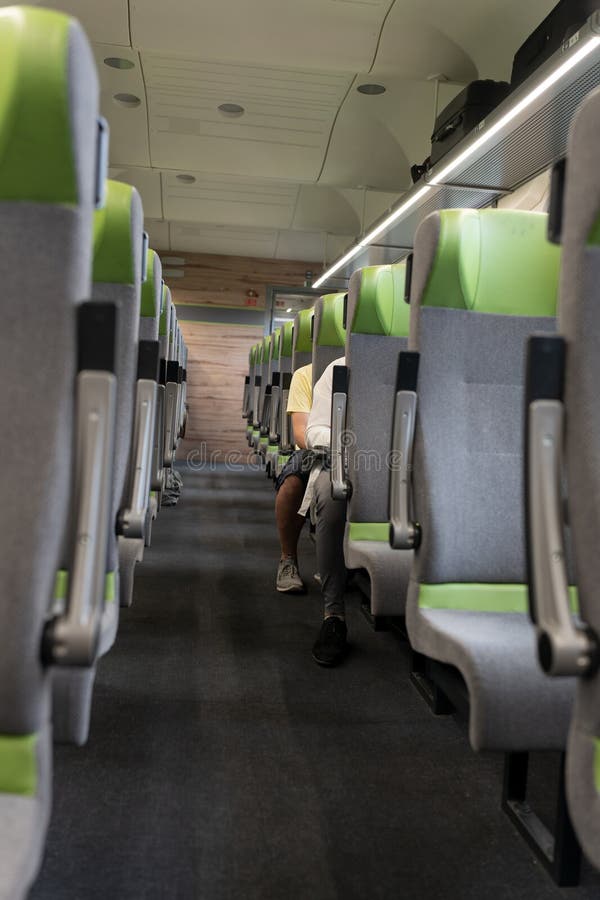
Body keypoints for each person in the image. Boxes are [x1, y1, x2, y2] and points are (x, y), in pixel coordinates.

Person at [301, 357, 349, 667]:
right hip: (344, 462)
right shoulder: (339, 370)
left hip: (406, 464)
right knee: (331, 496)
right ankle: (334, 615)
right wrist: (349, 440)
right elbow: (313, 431)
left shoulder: (433, 363)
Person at [274, 363, 313, 593]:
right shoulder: (306, 374)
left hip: (362, 449)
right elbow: (300, 433)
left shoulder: (372, 370)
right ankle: (287, 558)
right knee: (293, 480)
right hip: (315, 448)